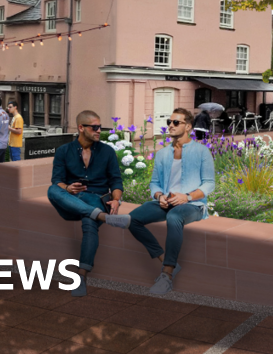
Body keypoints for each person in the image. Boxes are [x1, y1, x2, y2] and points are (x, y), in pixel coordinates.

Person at [129, 108, 215, 295]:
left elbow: (209, 184)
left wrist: (187, 197)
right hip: (166, 202)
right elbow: (154, 183)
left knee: (174, 217)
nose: (171, 125)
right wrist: (159, 196)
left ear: (189, 127)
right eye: (169, 121)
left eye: (176, 122)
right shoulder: (162, 154)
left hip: (193, 205)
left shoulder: (202, 151)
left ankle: (166, 275)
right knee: (132, 219)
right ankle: (168, 260)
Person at [48, 110, 131, 296]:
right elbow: (57, 181)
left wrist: (116, 200)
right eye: (94, 127)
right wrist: (68, 189)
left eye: (100, 127)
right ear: (81, 128)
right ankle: (100, 216)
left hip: (96, 198)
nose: (98, 131)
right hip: (71, 201)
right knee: (52, 190)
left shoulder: (107, 151)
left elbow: (116, 181)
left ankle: (82, 276)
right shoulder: (64, 151)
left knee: (89, 223)